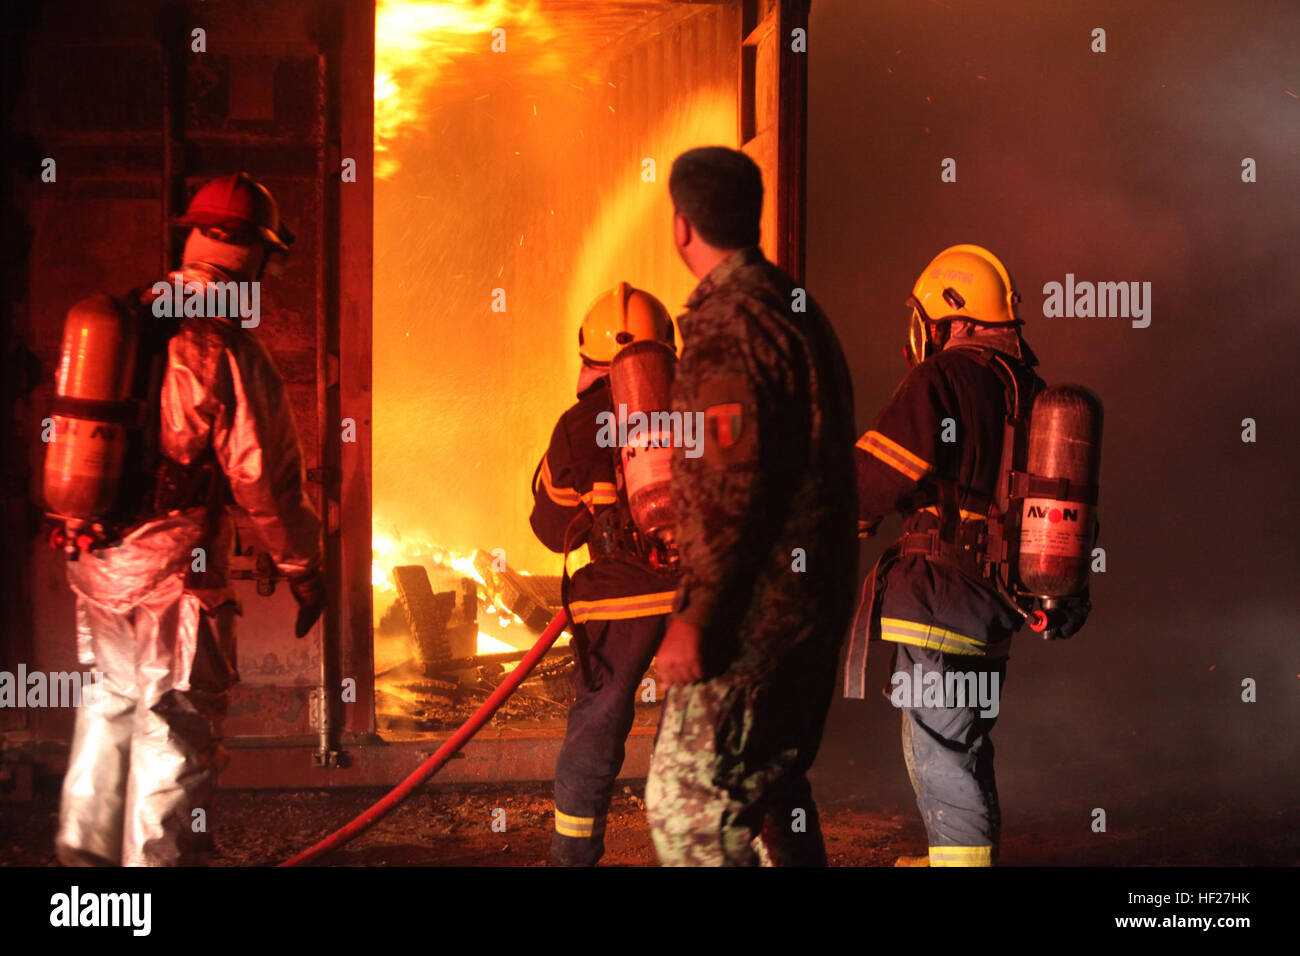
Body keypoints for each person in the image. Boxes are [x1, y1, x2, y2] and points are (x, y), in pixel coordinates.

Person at [53, 172, 325, 866]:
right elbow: (263, 476)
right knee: (175, 727)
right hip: (175, 573)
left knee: (109, 705)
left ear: (193, 237)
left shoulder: (132, 314)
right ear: (255, 258)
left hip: (97, 559)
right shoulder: (228, 348)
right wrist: (303, 566)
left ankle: (84, 866)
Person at [644, 146, 858, 866]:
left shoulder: (727, 325)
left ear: (681, 226)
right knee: (770, 794)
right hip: (808, 608)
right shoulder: (795, 309)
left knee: (689, 809)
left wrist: (696, 615)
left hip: (752, 621)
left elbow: (728, 488)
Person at [843, 244, 1088, 867]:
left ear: (951, 314)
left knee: (939, 751)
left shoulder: (942, 379)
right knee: (965, 741)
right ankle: (960, 858)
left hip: (938, 598)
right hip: (1002, 599)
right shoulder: (1034, 392)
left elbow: (872, 478)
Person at [530, 282, 680, 866]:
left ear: (589, 356)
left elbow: (550, 528)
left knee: (596, 728)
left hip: (616, 605)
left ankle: (572, 856)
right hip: (695, 602)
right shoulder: (699, 410)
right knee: (692, 731)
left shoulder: (576, 423)